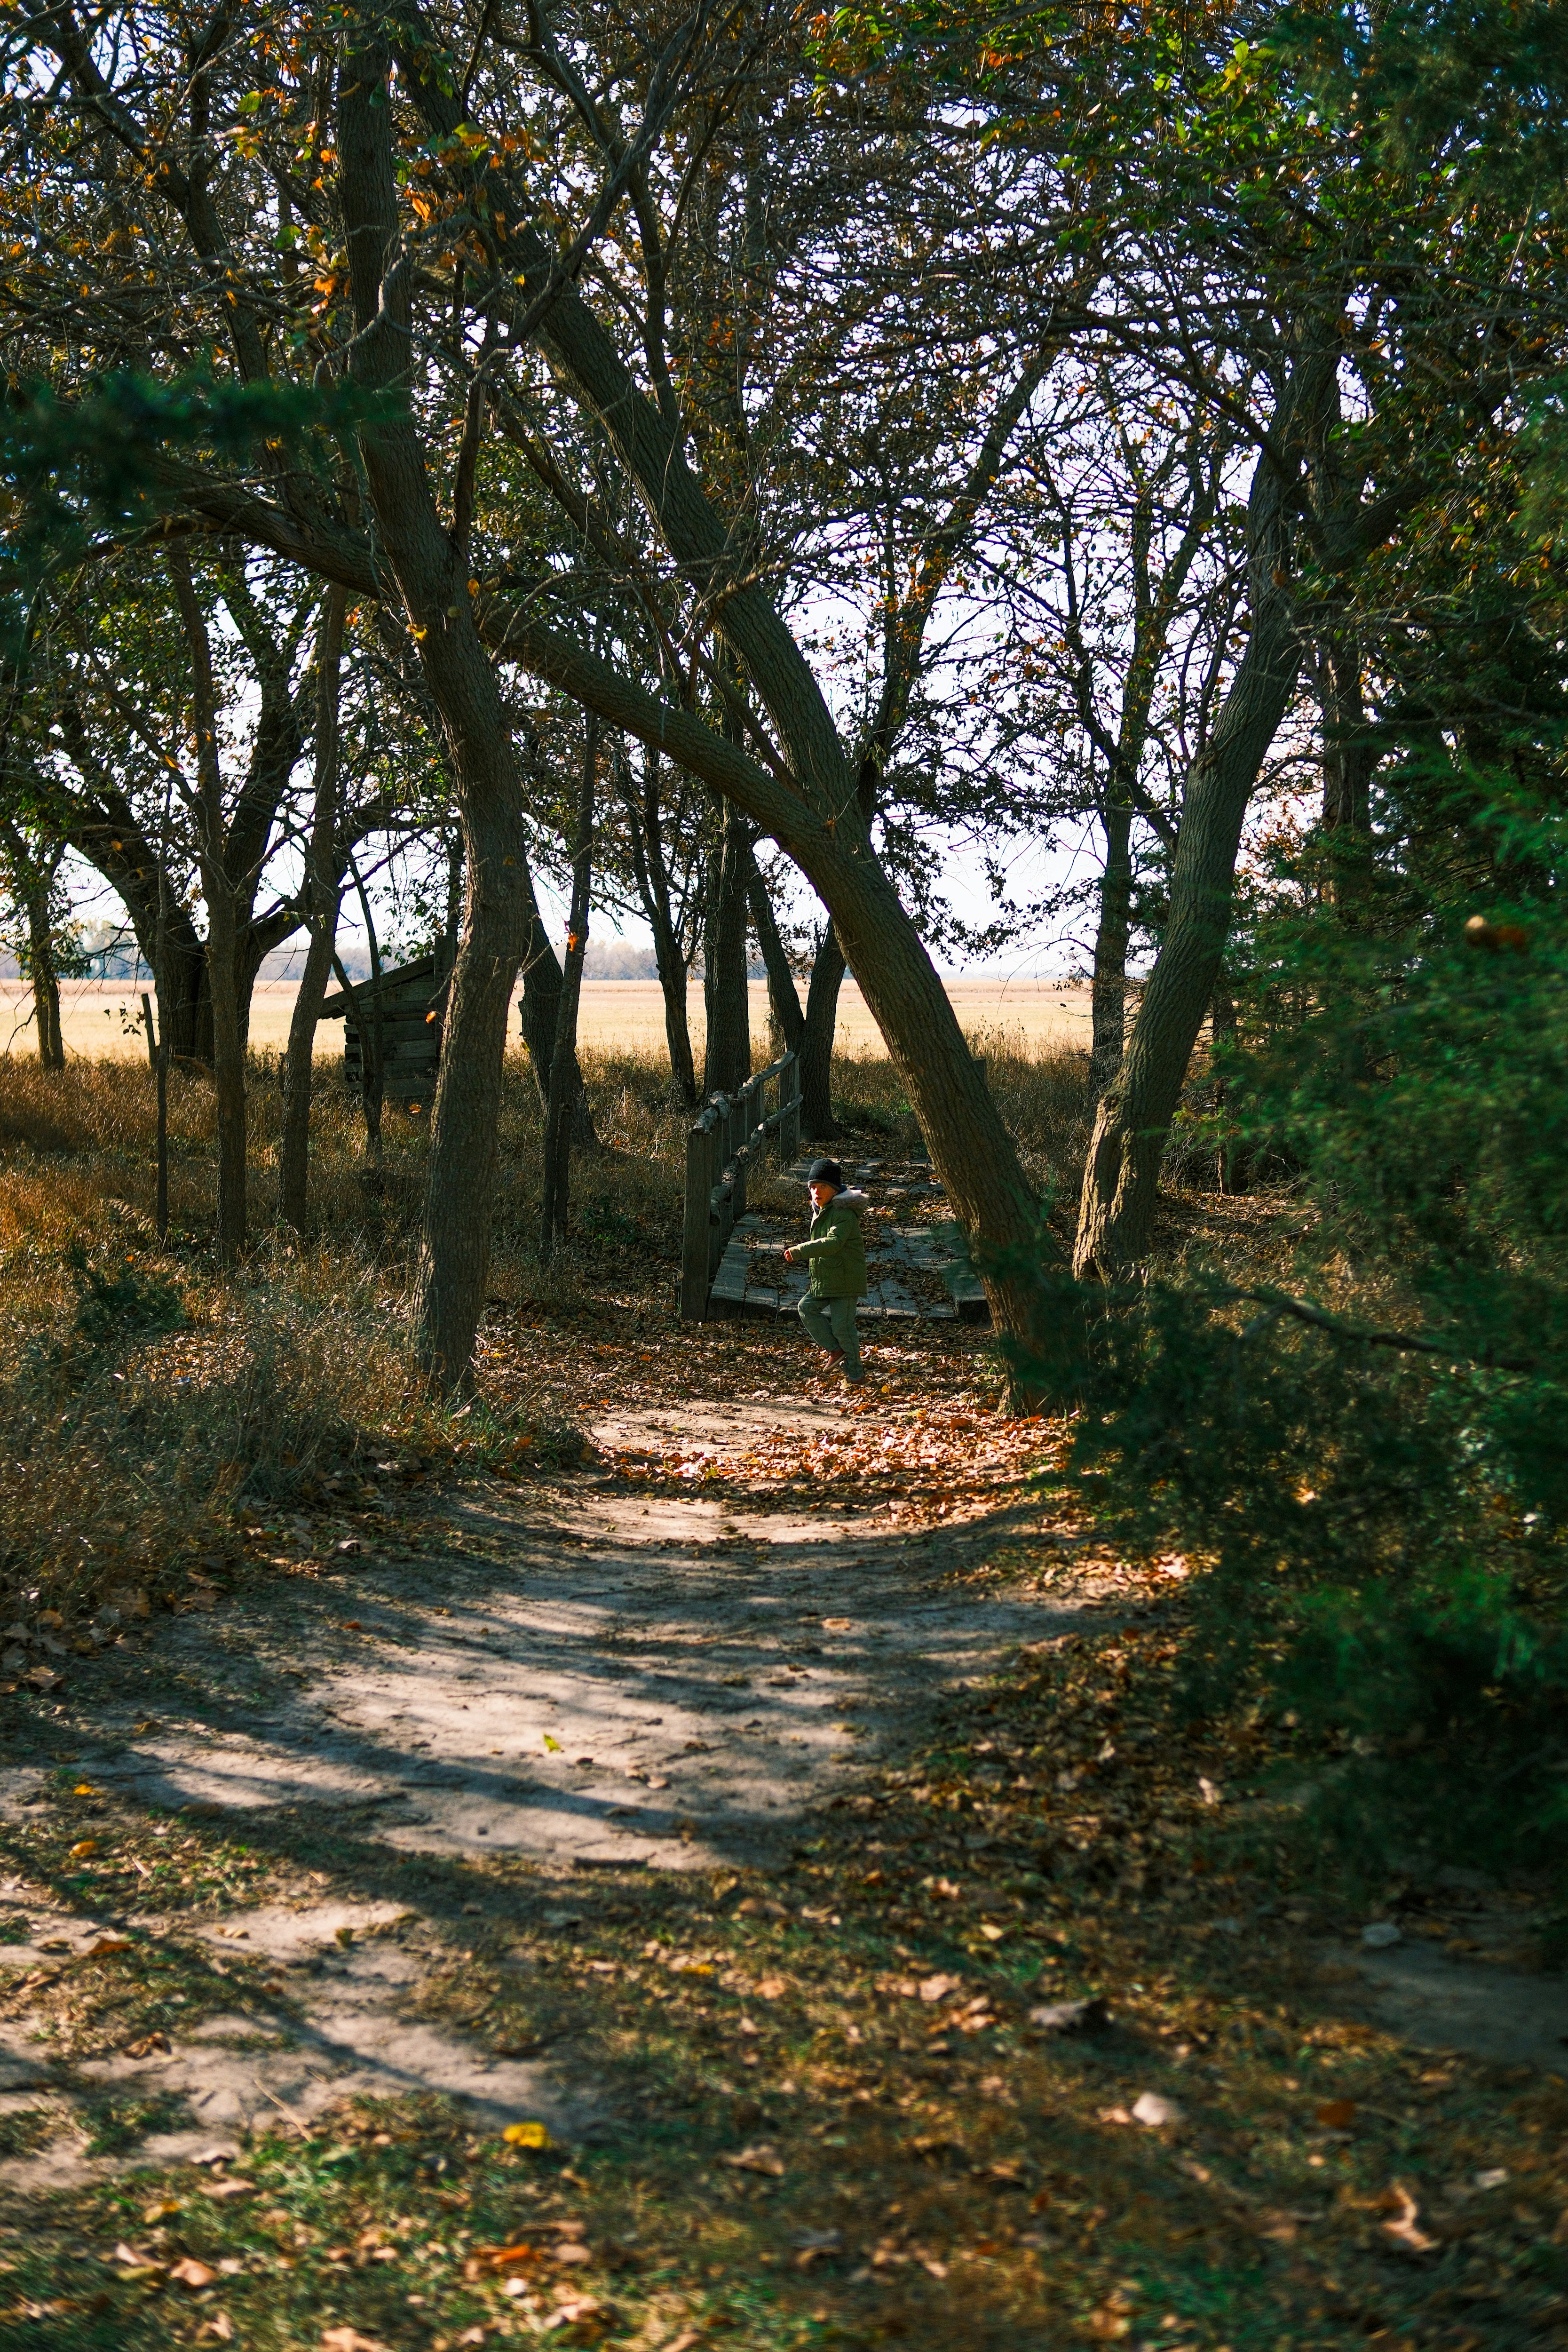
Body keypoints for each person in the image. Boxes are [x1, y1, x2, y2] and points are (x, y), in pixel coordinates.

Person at [783, 1157, 869, 1384]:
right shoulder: (820, 1210)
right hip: (826, 1277)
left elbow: (833, 1243)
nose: (816, 1192)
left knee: (843, 1327)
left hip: (845, 1279)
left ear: (835, 1189)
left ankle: (855, 1373)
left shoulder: (843, 1212)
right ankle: (836, 1350)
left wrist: (800, 1250)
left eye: (823, 1187)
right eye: (813, 1187)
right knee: (806, 1308)